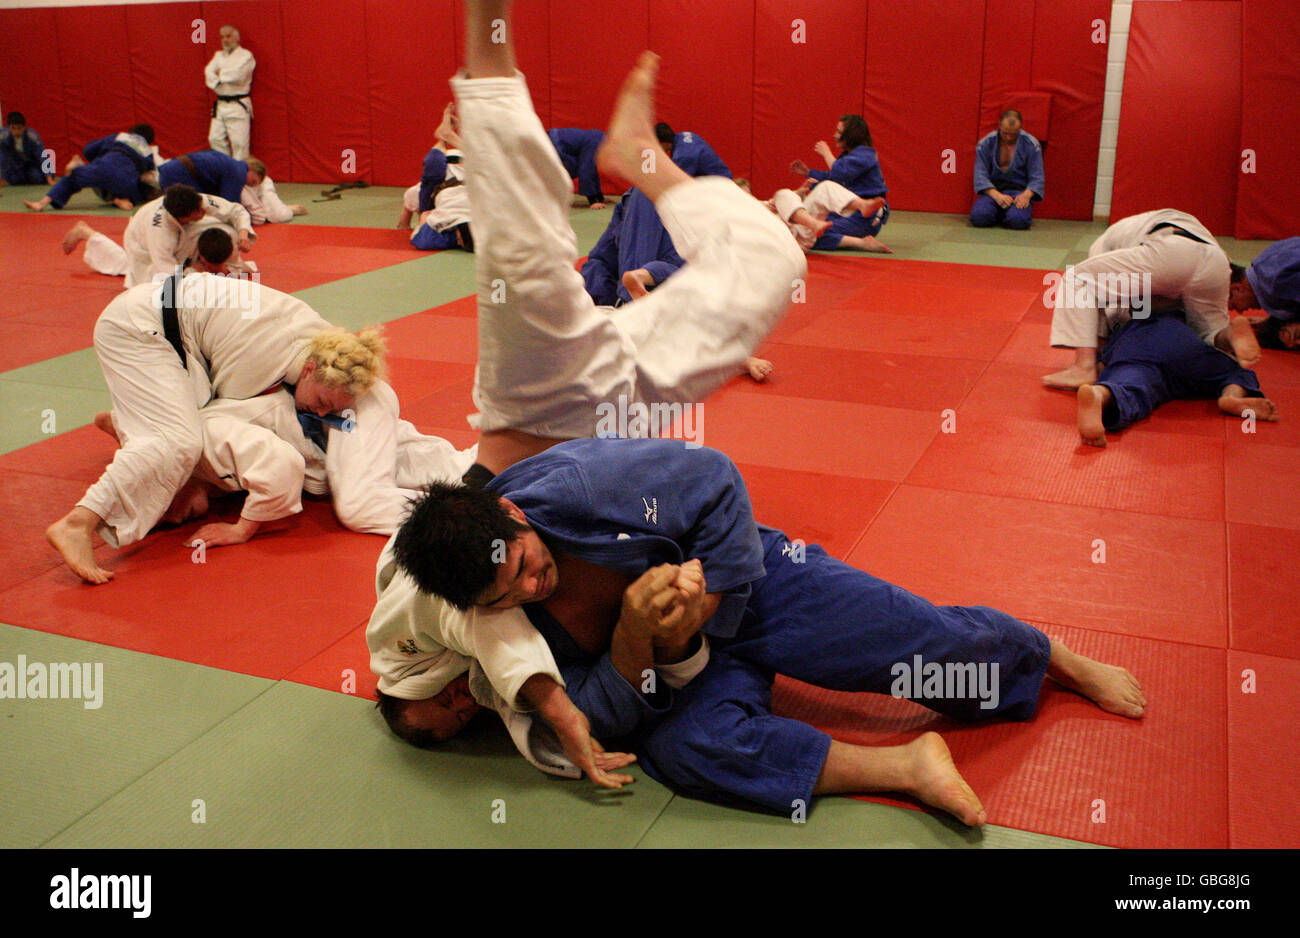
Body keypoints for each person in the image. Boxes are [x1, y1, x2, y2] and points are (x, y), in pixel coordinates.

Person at [365, 0, 807, 789]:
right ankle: (641, 157)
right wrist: (556, 713)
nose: (461, 714)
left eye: (442, 713)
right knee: (774, 264)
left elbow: (468, 619)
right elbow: (517, 667)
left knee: (518, 249)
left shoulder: (403, 631)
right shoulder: (501, 698)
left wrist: (556, 707)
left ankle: (487, 29)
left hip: (536, 406)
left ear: (407, 693)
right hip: (623, 425)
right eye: (460, 727)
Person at [393, 436, 1146, 825]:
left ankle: (1049, 655)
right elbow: (602, 717)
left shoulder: (584, 486)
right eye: (508, 591)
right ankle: (907, 766)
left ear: (515, 518)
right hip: (685, 669)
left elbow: (715, 477)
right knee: (685, 753)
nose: (532, 585)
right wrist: (634, 638)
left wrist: (707, 598)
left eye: (526, 563)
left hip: (755, 586)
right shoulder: (504, 632)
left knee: (925, 650)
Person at [44, 271, 383, 585]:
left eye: (331, 409)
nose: (322, 411)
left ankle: (128, 424)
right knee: (179, 441)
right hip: (137, 330)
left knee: (183, 437)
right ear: (309, 370)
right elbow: (215, 419)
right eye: (322, 400)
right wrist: (191, 486)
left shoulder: (328, 346)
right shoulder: (262, 357)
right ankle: (79, 523)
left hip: (174, 331)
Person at [1043, 208, 1263, 389]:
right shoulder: (1131, 235)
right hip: (1215, 261)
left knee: (1079, 278)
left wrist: (1098, 355)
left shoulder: (1103, 245)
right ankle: (1232, 333)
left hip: (1171, 249)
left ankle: (1083, 367)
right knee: (1211, 330)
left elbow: (1105, 307)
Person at [1075, 315, 1278, 447]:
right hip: (1183, 343)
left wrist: (1102, 369)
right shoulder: (1188, 308)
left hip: (1136, 347)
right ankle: (1231, 396)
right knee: (1234, 371)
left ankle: (1099, 395)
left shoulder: (1119, 325)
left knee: (1128, 387)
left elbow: (1100, 363)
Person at [60, 184, 255, 287]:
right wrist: (192, 272)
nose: (203, 212)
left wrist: (243, 232)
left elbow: (235, 211)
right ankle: (88, 234)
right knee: (139, 275)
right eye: (199, 213)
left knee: (226, 231)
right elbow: (167, 271)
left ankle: (213, 264)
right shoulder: (160, 233)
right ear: (183, 217)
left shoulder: (196, 201)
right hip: (139, 240)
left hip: (183, 232)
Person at [789, 114, 890, 252]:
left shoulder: (866, 155)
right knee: (802, 228)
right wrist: (809, 173)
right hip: (848, 213)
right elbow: (833, 180)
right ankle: (858, 240)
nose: (835, 135)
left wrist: (826, 153)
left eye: (839, 132)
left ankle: (861, 243)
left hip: (865, 218)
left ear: (851, 136)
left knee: (809, 236)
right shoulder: (851, 156)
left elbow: (839, 173)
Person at [23, 127, 158, 211]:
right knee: (141, 192)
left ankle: (41, 203)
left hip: (102, 167)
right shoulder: (148, 151)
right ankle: (122, 199)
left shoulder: (120, 136)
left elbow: (88, 149)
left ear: (131, 132)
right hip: (125, 180)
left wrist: (95, 161)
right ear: (150, 141)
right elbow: (148, 178)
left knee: (71, 177)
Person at [764, 178, 889, 253]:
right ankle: (814, 224)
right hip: (780, 240)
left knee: (825, 187)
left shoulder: (757, 204)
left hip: (798, 230)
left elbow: (782, 203)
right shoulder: (749, 211)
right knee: (783, 193)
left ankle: (862, 205)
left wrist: (799, 193)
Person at [970, 109, 1044, 230]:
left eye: (1013, 134)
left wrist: (1026, 195)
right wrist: (996, 195)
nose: (1009, 137)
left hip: (1018, 192)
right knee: (980, 218)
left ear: (1020, 129)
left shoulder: (1031, 144)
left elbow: (1037, 176)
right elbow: (980, 175)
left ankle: (1009, 213)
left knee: (1018, 221)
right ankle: (996, 210)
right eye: (1005, 133)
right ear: (999, 126)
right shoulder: (986, 143)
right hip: (993, 191)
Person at [1229, 237, 1300, 350]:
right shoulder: (1265, 261)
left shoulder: (1277, 281)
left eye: (1233, 306)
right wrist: (1273, 318)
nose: (1240, 311)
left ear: (1237, 289)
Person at [206, 25, 256, 160]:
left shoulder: (246, 56)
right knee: (214, 139)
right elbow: (208, 72)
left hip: (238, 105)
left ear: (237, 38)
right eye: (222, 37)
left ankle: (240, 175)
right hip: (221, 104)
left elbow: (237, 75)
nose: (225, 40)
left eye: (228, 36)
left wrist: (220, 75)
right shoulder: (218, 55)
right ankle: (225, 168)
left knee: (239, 144)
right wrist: (219, 79)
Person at [157, 149, 257, 204]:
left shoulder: (228, 161)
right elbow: (229, 204)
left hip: (170, 168)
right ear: (252, 169)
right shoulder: (239, 172)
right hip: (179, 175)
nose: (249, 185)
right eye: (253, 181)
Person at [547, 127, 607, 208]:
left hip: (553, 140)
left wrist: (600, 198)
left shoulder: (598, 138)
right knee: (577, 168)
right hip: (553, 143)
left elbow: (593, 171)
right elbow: (587, 170)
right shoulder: (597, 143)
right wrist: (593, 201)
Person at [241, 157, 307, 224]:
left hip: (269, 199)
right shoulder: (238, 175)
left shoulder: (262, 184)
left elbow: (260, 217)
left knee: (280, 215)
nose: (250, 184)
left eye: (253, 182)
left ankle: (290, 209)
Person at [653, 123, 731, 179]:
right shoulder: (685, 135)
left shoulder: (683, 155)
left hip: (719, 187)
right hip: (721, 177)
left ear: (663, 142)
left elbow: (678, 183)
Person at [0, 111, 55, 188]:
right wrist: (2, 178)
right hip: (16, 166)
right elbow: (3, 159)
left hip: (32, 164)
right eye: (13, 128)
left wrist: (49, 178)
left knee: (37, 178)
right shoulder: (3, 137)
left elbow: (42, 157)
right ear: (9, 127)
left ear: (24, 127)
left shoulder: (32, 136)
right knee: (15, 181)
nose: (16, 131)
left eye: (19, 128)